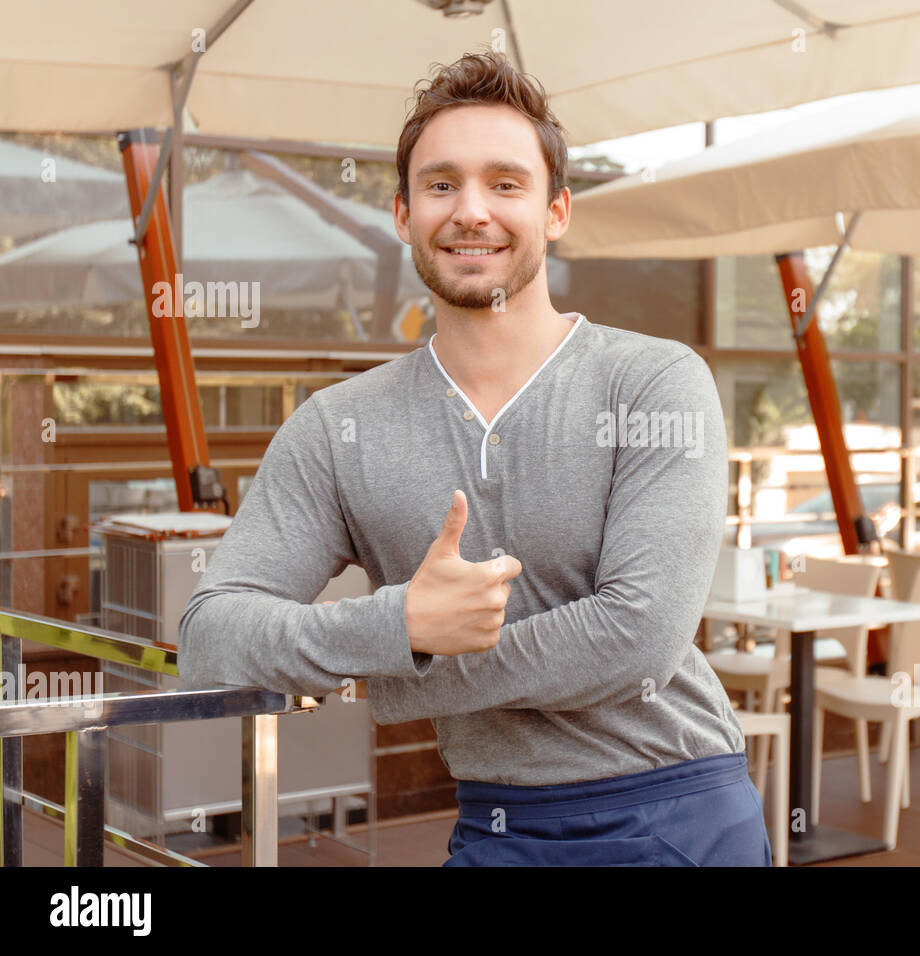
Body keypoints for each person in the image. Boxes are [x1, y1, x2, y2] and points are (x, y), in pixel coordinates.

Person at [177, 50, 770, 867]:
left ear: (556, 210)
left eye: (506, 183)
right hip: (497, 824)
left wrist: (394, 680)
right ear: (403, 213)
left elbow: (639, 638)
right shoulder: (337, 426)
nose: (472, 211)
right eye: (442, 184)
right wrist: (401, 626)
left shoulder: (654, 383)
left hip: (673, 806)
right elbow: (211, 636)